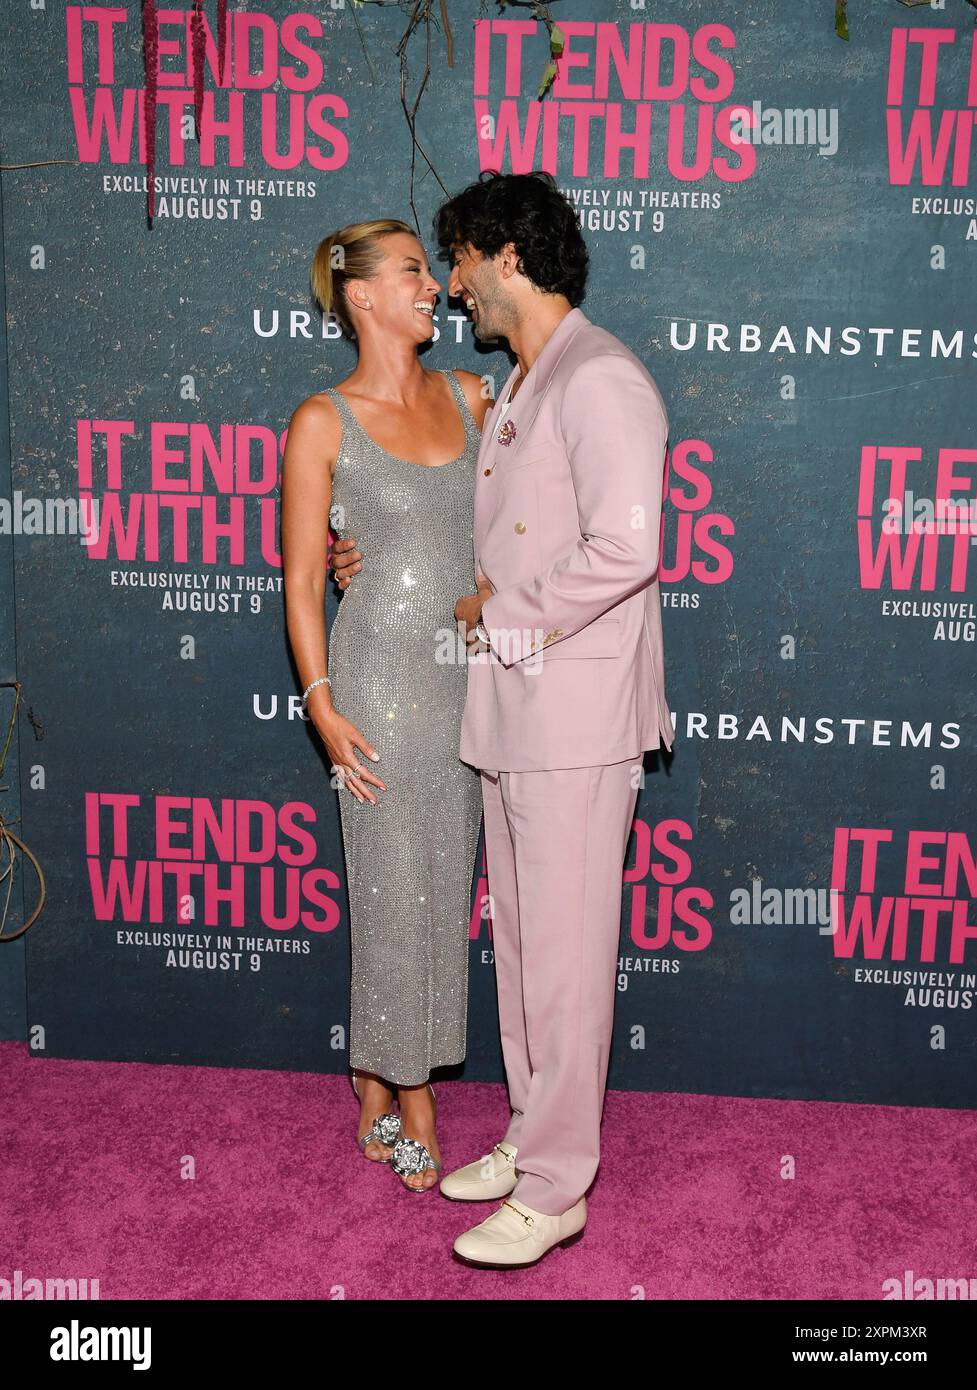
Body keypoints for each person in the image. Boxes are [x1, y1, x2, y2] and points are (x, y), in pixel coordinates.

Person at [332, 169, 674, 1264]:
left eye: (461, 259)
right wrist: (365, 558)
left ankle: (560, 1187)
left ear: (506, 255)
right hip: (514, 717)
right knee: (527, 955)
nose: (453, 284)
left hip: (574, 719)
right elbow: (467, 524)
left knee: (567, 967)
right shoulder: (524, 381)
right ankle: (531, 1143)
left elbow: (627, 550)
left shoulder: (600, 378)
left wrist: (500, 614)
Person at [281, 219, 491, 1192]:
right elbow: (298, 583)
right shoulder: (321, 420)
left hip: (466, 684)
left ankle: (374, 1066)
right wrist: (321, 706)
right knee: (388, 890)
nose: (433, 286)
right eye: (412, 270)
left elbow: (512, 530)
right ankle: (409, 1096)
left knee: (442, 886)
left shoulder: (470, 395)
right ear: (361, 295)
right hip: (372, 686)